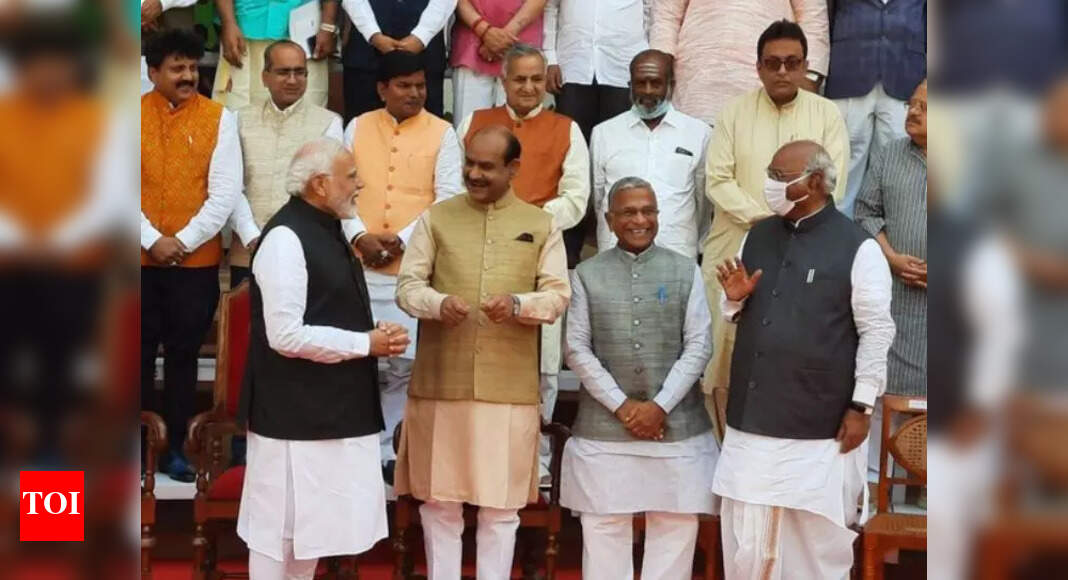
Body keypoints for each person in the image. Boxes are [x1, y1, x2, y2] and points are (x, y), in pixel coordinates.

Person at [712, 140, 894, 579]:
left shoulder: (858, 247)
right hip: (753, 419)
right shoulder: (758, 234)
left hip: (819, 424)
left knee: (811, 543)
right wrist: (732, 301)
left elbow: (876, 331)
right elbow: (740, 312)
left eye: (779, 177)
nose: (770, 184)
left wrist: (861, 406)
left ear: (813, 182)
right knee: (746, 536)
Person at [394, 125, 570, 578]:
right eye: (470, 163)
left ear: (513, 169)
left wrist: (517, 305)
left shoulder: (541, 224)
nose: (473, 173)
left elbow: (557, 296)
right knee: (439, 503)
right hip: (441, 382)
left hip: (507, 389)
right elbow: (407, 287)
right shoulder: (436, 218)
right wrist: (436, 304)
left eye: (486, 167)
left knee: (501, 508)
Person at [236, 138, 410, 580]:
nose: (360, 184)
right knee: (278, 534)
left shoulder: (327, 229)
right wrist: (364, 344)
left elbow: (329, 308)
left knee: (313, 534)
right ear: (318, 184)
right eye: (350, 177)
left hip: (330, 410)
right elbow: (285, 334)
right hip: (291, 416)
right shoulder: (285, 238)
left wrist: (373, 336)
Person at [562, 177, 717, 580]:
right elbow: (577, 349)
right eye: (629, 212)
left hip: (677, 428)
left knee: (675, 526)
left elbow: (699, 346)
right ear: (609, 220)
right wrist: (625, 407)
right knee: (603, 527)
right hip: (604, 430)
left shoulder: (685, 270)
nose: (640, 219)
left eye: (648, 210)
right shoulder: (586, 274)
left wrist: (659, 407)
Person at [702, 19, 848, 412]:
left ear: (805, 66)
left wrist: (787, 222)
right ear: (759, 67)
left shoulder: (827, 116)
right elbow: (716, 180)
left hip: (806, 252)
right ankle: (723, 455)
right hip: (735, 248)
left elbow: (834, 182)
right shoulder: (733, 113)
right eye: (773, 63)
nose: (783, 71)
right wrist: (764, 220)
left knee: (792, 350)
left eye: (792, 62)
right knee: (723, 360)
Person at [456, 43, 588, 480]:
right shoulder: (476, 123)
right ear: (503, 80)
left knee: (544, 365)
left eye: (536, 78)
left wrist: (526, 220)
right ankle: (479, 460)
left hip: (540, 257)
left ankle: (537, 462)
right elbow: (455, 187)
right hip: (479, 253)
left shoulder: (566, 128)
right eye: (519, 79)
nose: (528, 87)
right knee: (478, 354)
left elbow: (577, 198)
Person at [341, 49, 463, 480]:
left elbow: (447, 197)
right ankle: (358, 450)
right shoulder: (357, 127)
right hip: (359, 268)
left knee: (402, 365)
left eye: (421, 85)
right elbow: (341, 191)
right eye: (405, 86)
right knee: (358, 363)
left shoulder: (444, 133)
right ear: (381, 89)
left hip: (410, 272)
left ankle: (392, 451)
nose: (415, 93)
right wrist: (359, 236)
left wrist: (400, 241)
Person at [141, 29, 243, 482]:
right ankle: (138, 447)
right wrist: (150, 240)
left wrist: (178, 241)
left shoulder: (220, 119)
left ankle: (176, 449)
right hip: (136, 262)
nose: (187, 76)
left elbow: (224, 194)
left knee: (183, 356)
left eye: (191, 67)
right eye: (176, 68)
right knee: (134, 355)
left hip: (194, 265)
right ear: (153, 72)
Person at [227, 40, 345, 287]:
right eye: (283, 72)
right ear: (265, 76)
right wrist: (251, 236)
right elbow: (230, 185)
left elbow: (330, 192)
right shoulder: (238, 119)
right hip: (247, 248)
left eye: (299, 72)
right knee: (246, 322)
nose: (292, 80)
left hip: (305, 249)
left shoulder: (328, 123)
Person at [543, 0, 649, 263]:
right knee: (569, 160)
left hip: (623, 67)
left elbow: (652, 11)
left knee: (618, 160)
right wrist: (550, 57)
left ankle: (617, 248)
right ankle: (566, 250)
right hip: (573, 67)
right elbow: (551, 8)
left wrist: (648, 60)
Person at [592, 49, 711, 259]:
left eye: (656, 83)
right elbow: (598, 196)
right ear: (630, 86)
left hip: (676, 252)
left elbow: (702, 201)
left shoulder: (699, 133)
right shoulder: (604, 132)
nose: (647, 91)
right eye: (640, 83)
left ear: (671, 85)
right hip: (615, 254)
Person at [854, 79, 927, 397]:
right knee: (890, 398)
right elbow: (865, 212)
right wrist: (891, 258)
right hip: (895, 293)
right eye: (911, 104)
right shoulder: (890, 154)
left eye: (924, 108)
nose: (913, 112)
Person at [650, 0, 830, 126]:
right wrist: (658, 70)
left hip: (767, 81)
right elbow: (666, 16)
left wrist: (809, 76)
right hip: (697, 84)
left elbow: (813, 19)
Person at [826, 0, 926, 216]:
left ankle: (889, 234)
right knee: (844, 160)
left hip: (905, 79)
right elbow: (827, 15)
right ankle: (836, 231)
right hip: (848, 75)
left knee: (896, 160)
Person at [339, 0, 454, 121]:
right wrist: (373, 34)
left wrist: (422, 35)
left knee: (426, 128)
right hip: (366, 51)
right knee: (363, 127)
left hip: (425, 51)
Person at [212, 0, 337, 110]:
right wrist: (228, 22)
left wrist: (328, 25)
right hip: (245, 29)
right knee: (238, 109)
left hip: (304, 29)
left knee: (309, 112)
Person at [450, 0, 547, 126]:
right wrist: (484, 31)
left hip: (522, 42)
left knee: (519, 130)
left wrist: (505, 36)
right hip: (472, 42)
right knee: (469, 127)